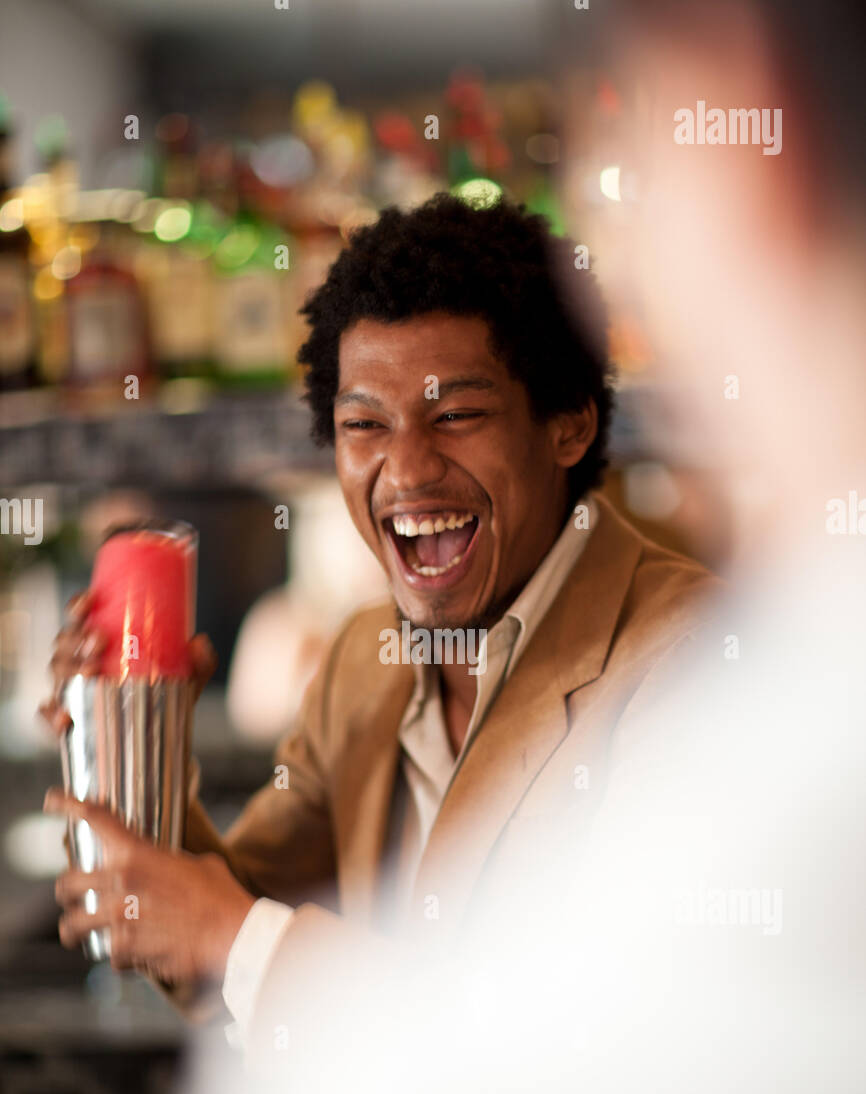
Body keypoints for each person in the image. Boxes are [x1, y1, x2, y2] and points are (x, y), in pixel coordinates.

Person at [40, 193, 720, 1042]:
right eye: (365, 423)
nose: (406, 472)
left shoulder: (697, 661)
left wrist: (234, 934)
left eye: (457, 416)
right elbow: (232, 950)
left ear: (569, 424)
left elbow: (617, 1037)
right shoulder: (369, 658)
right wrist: (126, 737)